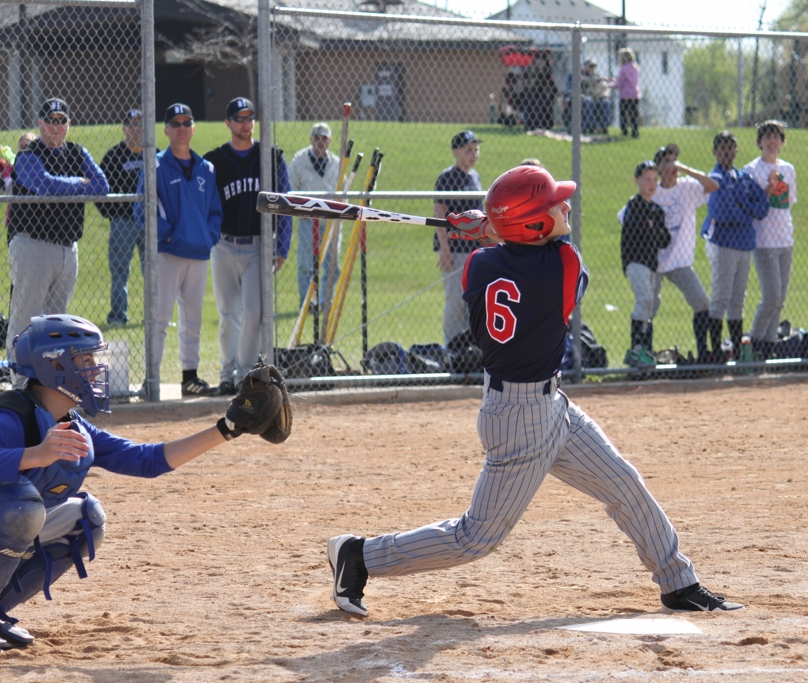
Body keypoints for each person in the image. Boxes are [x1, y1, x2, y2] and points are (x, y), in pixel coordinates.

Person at [326, 165, 744, 617]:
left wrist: (487, 232)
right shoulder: (563, 265)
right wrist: (491, 227)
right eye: (553, 205)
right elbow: (549, 252)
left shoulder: (479, 267)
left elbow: (512, 253)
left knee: (624, 484)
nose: (565, 206)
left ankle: (678, 583)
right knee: (474, 538)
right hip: (522, 420)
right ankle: (360, 555)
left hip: (540, 406)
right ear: (533, 224)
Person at [0, 314, 252, 649]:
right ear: (54, 366)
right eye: (84, 359)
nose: (94, 368)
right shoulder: (11, 416)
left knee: (86, 518)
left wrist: (227, 429)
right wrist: (34, 455)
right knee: (22, 507)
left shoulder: (73, 426)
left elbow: (146, 459)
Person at [6, 98, 109, 384]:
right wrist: (80, 184)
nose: (56, 126)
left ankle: (47, 384)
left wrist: (74, 183)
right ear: (40, 124)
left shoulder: (77, 151)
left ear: (68, 124)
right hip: (32, 243)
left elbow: (102, 185)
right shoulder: (29, 153)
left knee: (55, 323)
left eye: (61, 120)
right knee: (26, 317)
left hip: (67, 248)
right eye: (50, 120)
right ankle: (18, 385)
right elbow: (43, 183)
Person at [204, 97, 291, 395]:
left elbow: (286, 204)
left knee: (253, 311)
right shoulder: (214, 160)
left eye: (250, 117)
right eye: (239, 118)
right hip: (224, 245)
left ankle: (245, 375)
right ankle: (226, 374)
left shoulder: (270, 157)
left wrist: (282, 247)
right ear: (228, 123)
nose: (245, 123)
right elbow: (205, 205)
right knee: (228, 313)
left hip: (258, 247)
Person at [134, 103, 222, 397]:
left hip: (198, 254)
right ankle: (152, 379)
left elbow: (215, 212)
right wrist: (169, 235)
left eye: (187, 122)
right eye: (176, 123)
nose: (182, 127)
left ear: (194, 129)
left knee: (192, 320)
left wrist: (207, 237)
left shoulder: (206, 168)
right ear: (166, 129)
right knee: (159, 319)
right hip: (167, 252)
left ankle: (190, 376)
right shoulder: (155, 164)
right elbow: (142, 209)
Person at [701, 131, 770, 360]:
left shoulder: (742, 177)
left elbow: (761, 208)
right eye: (722, 148)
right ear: (714, 152)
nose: (727, 152)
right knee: (721, 297)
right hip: (723, 243)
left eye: (731, 148)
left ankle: (737, 351)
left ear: (737, 150)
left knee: (738, 299)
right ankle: (715, 350)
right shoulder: (716, 177)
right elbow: (722, 213)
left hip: (743, 244)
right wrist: (745, 210)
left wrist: (742, 208)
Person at [651, 146, 719, 360]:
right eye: (666, 162)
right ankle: (644, 355)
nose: (671, 165)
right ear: (658, 168)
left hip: (680, 261)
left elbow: (713, 186)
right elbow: (625, 217)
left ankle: (703, 352)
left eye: (674, 160)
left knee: (702, 302)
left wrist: (684, 169)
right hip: (653, 261)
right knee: (648, 307)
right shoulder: (652, 191)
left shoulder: (688, 187)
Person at [743, 120, 798, 358]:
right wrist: (769, 186)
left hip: (785, 238)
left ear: (782, 142)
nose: (772, 141)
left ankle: (768, 345)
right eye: (767, 137)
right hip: (764, 240)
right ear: (759, 142)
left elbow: (789, 203)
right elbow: (754, 205)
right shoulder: (752, 170)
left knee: (780, 299)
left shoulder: (789, 169)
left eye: (776, 137)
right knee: (772, 296)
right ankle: (752, 341)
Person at [619, 160, 672, 367]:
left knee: (652, 304)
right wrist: (652, 230)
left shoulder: (657, 210)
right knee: (645, 299)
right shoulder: (634, 204)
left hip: (651, 264)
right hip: (636, 261)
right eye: (646, 179)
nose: (651, 184)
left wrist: (652, 230)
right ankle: (636, 349)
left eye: (654, 180)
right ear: (637, 181)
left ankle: (645, 349)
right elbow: (642, 231)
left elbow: (664, 239)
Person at [433, 130, 482, 345]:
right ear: (456, 152)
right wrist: (445, 250)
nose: (473, 155)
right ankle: (452, 347)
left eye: (475, 150)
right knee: (455, 300)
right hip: (455, 248)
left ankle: (469, 348)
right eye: (467, 150)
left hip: (474, 249)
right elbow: (439, 213)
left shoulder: (475, 177)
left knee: (472, 301)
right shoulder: (447, 177)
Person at [288, 122, 341, 313]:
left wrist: (339, 215)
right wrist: (300, 209)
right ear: (311, 139)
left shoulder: (336, 163)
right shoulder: (299, 161)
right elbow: (290, 188)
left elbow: (343, 191)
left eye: (324, 138)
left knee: (333, 266)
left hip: (331, 220)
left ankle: (325, 301)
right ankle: (306, 303)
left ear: (330, 141)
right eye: (317, 138)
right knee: (305, 265)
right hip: (308, 220)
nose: (320, 142)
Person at [100, 109, 145, 327]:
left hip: (150, 222)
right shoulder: (113, 156)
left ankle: (154, 317)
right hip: (122, 222)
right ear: (123, 129)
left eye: (139, 124)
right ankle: (118, 316)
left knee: (153, 271)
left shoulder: (153, 153)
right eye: (131, 125)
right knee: (119, 271)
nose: (135, 129)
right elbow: (99, 189)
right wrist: (110, 214)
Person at [610, 48, 641, 138]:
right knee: (633, 114)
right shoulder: (635, 67)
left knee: (623, 113)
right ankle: (635, 131)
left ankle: (624, 131)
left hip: (625, 95)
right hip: (635, 94)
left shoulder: (624, 68)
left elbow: (619, 83)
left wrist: (609, 85)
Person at [579, 59, 612, 134]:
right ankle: (591, 125)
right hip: (587, 97)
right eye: (590, 66)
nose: (592, 68)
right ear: (584, 67)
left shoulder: (597, 77)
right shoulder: (581, 77)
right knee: (588, 101)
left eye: (593, 67)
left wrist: (602, 96)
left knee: (606, 102)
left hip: (599, 97)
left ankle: (604, 126)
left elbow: (605, 89)